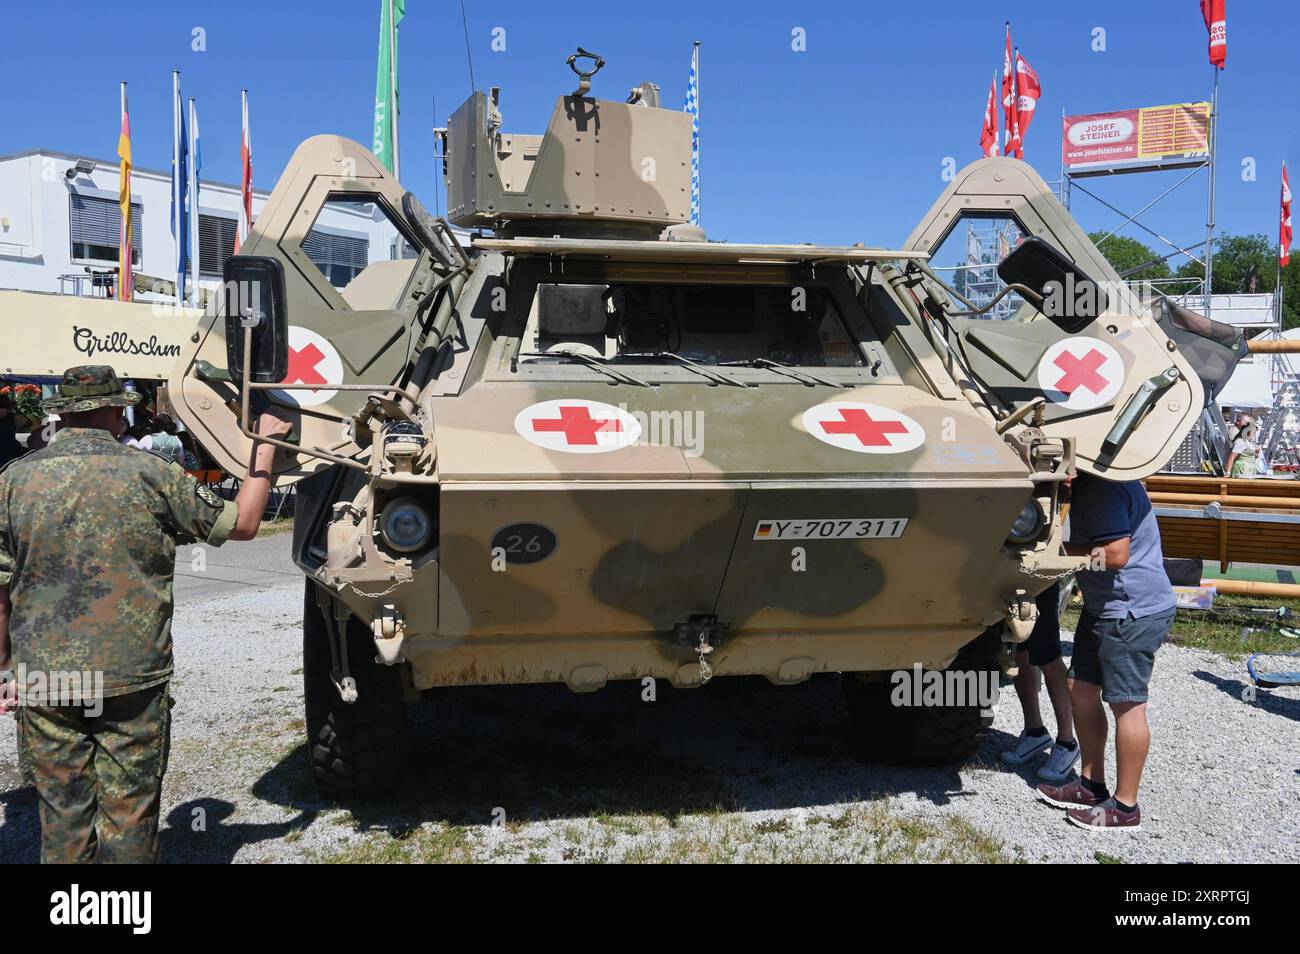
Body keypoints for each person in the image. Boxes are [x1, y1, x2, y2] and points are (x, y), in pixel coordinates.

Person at [0, 365, 292, 863]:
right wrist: (264, 449)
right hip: (130, 674)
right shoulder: (151, 473)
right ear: (117, 411)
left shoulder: (13, 481)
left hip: (42, 677)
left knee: (63, 813)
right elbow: (242, 524)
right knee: (130, 811)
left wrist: (5, 666)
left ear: (63, 415)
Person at [1036, 474, 1176, 831]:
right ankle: (1091, 785)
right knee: (1079, 690)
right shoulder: (1102, 479)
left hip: (1130, 611)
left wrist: (1059, 555)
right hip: (1104, 608)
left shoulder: (1101, 487)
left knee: (1126, 705)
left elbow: (1115, 555)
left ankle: (1126, 807)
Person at [999, 579, 1078, 783]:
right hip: (1006, 579)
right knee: (1020, 653)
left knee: (1048, 658)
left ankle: (1067, 742)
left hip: (1038, 581)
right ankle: (1035, 731)